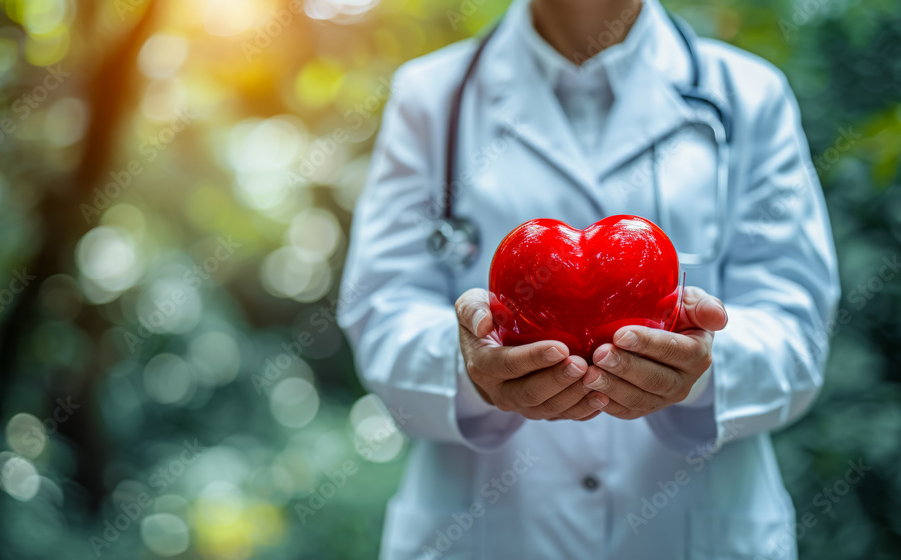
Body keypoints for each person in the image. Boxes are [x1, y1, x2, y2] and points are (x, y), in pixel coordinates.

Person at [337, 0, 840, 557]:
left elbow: (798, 328)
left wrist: (702, 369)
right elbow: (380, 312)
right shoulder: (430, 98)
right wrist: (469, 368)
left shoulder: (750, 96)